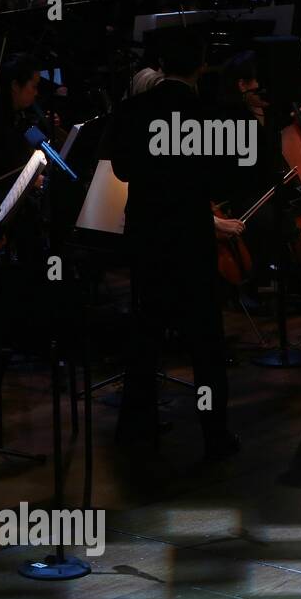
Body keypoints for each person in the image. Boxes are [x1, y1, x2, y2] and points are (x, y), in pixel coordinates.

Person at [104, 28, 240, 460]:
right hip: (192, 236)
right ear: (201, 64)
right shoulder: (211, 114)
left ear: (160, 65)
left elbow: (122, 171)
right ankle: (214, 434)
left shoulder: (132, 110)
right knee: (205, 342)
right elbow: (221, 180)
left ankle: (135, 427)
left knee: (145, 334)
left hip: (148, 236)